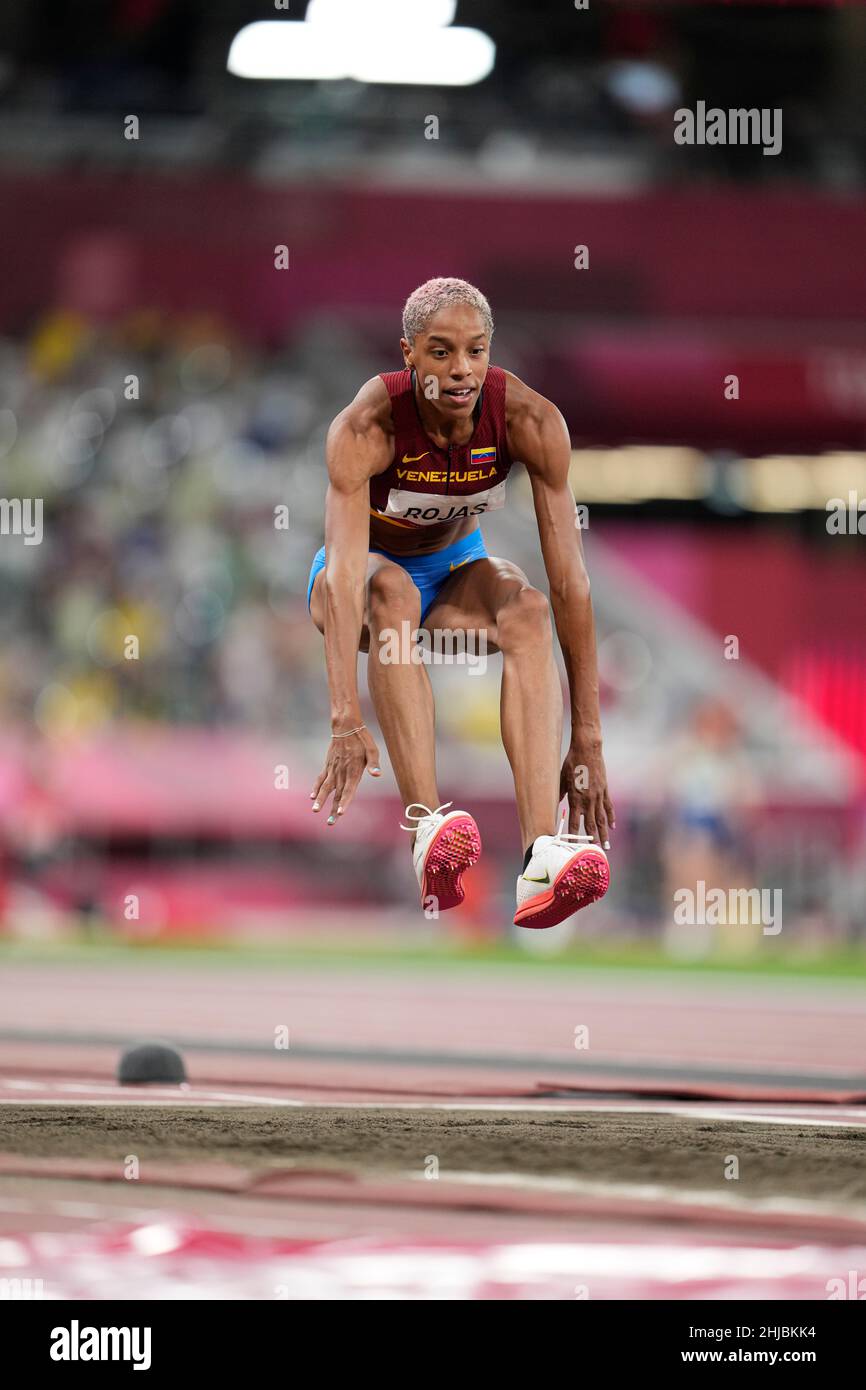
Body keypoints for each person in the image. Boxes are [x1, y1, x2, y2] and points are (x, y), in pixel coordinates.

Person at [307, 277, 614, 929]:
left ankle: (541, 858)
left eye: (475, 351)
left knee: (528, 610)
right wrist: (343, 716)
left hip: (452, 575)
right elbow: (343, 576)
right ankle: (427, 830)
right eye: (441, 352)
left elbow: (571, 585)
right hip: (362, 581)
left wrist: (587, 735)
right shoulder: (367, 425)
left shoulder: (530, 421)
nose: (461, 370)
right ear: (409, 354)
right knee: (391, 590)